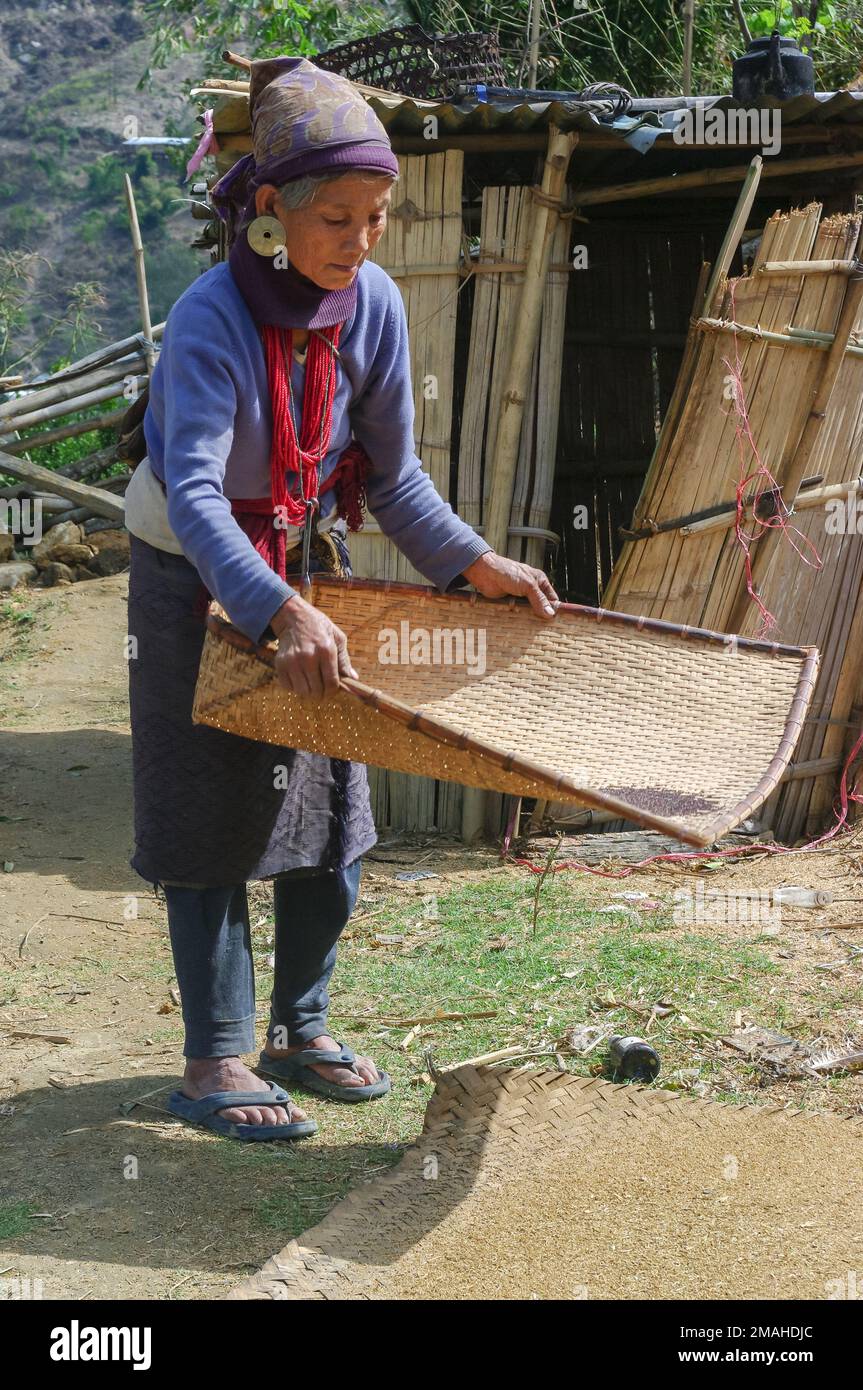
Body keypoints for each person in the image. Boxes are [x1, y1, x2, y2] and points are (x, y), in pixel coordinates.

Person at [123, 55, 560, 1141]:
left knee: (331, 811)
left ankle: (298, 1029)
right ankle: (215, 1055)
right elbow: (191, 488)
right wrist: (277, 609)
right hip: (194, 566)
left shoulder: (369, 306)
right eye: (335, 218)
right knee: (212, 813)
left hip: (304, 560)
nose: (360, 241)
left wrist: (472, 564)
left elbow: (395, 477)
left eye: (376, 217)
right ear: (268, 210)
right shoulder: (211, 318)